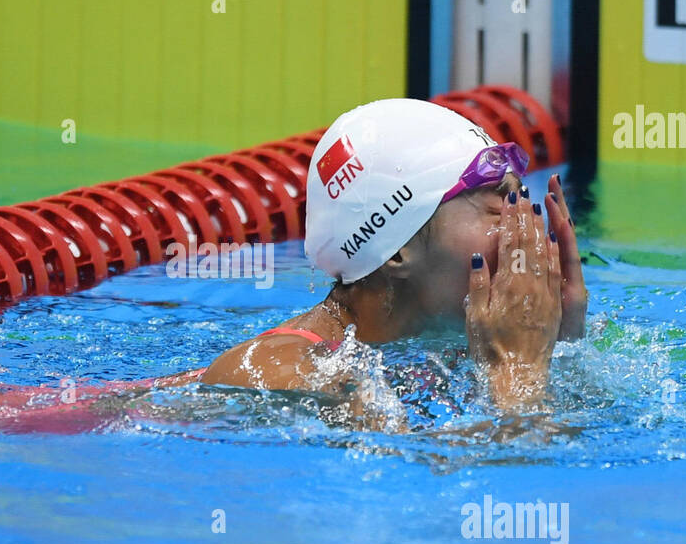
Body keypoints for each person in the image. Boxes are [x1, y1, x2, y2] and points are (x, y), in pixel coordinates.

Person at [201, 98, 587, 412]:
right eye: (499, 206)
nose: (525, 232)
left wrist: (560, 346)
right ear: (396, 250)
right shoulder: (284, 376)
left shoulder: (451, 349)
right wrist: (520, 367)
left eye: (521, 200)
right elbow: (448, 492)